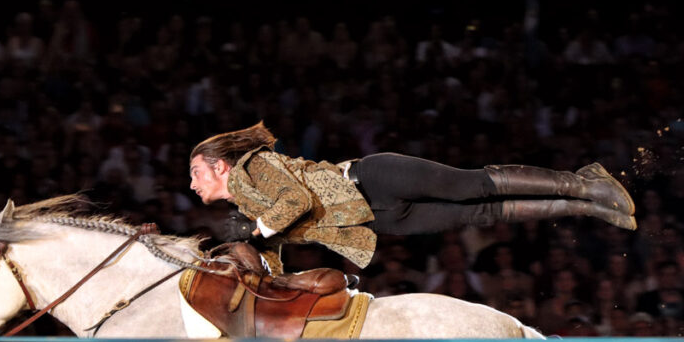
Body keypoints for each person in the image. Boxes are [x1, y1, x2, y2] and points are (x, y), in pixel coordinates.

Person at [188, 122, 636, 272]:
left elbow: (296, 204)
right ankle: (585, 207)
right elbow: (275, 251)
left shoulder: (255, 167)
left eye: (195, 172)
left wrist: (258, 230)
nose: (192, 184)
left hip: (375, 180)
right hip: (377, 220)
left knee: (470, 186)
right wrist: (257, 264)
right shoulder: (248, 206)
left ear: (220, 166)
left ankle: (582, 183)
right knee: (477, 216)